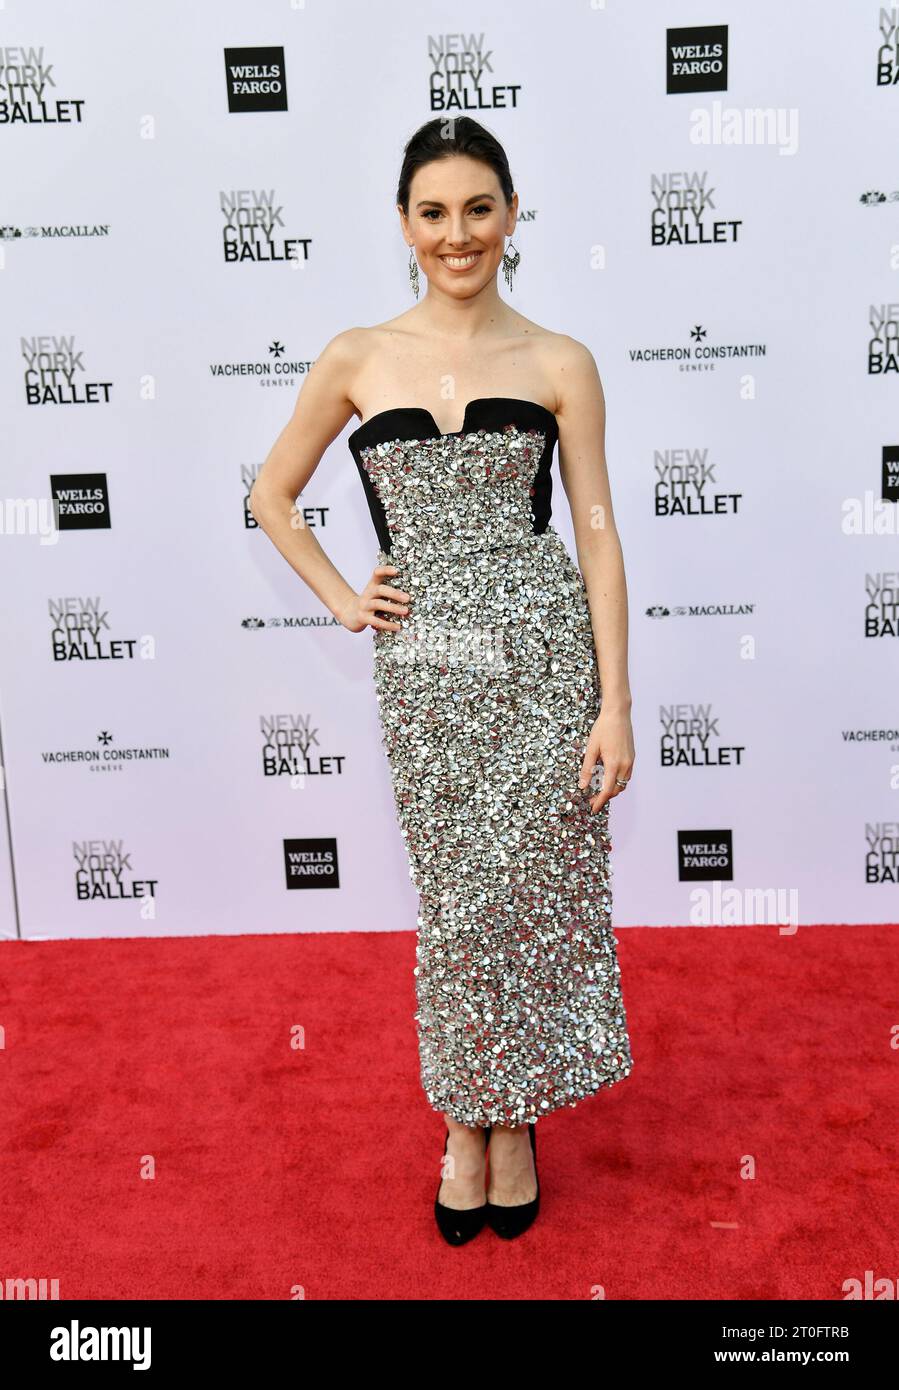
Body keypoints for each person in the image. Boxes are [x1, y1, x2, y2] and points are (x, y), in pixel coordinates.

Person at [250, 116, 635, 1246]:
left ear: (512, 216)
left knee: (532, 898)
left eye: (478, 209)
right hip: (428, 671)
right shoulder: (357, 355)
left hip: (545, 659)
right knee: (459, 905)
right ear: (404, 224)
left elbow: (599, 536)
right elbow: (270, 493)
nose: (455, 234)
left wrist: (613, 703)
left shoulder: (561, 362)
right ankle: (467, 1117)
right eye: (433, 212)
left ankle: (503, 1120)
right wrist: (339, 595)